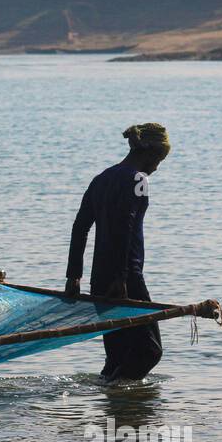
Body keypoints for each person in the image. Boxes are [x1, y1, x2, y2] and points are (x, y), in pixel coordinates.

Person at [64, 123, 172, 381]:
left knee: (118, 355)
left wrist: (73, 276)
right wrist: (122, 278)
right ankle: (119, 398)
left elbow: (80, 227)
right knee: (149, 351)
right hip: (126, 279)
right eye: (159, 160)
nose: (157, 167)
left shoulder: (101, 179)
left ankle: (111, 408)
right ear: (149, 154)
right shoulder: (139, 180)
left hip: (99, 279)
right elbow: (126, 227)